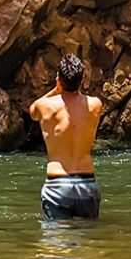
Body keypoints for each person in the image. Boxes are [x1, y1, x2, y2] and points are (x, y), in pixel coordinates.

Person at [30, 54, 103, 220]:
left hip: (57, 184)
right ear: (83, 79)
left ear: (58, 80)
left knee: (57, 242)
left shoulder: (44, 106)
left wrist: (56, 90)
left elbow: (32, 111)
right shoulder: (95, 105)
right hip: (87, 184)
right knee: (88, 241)